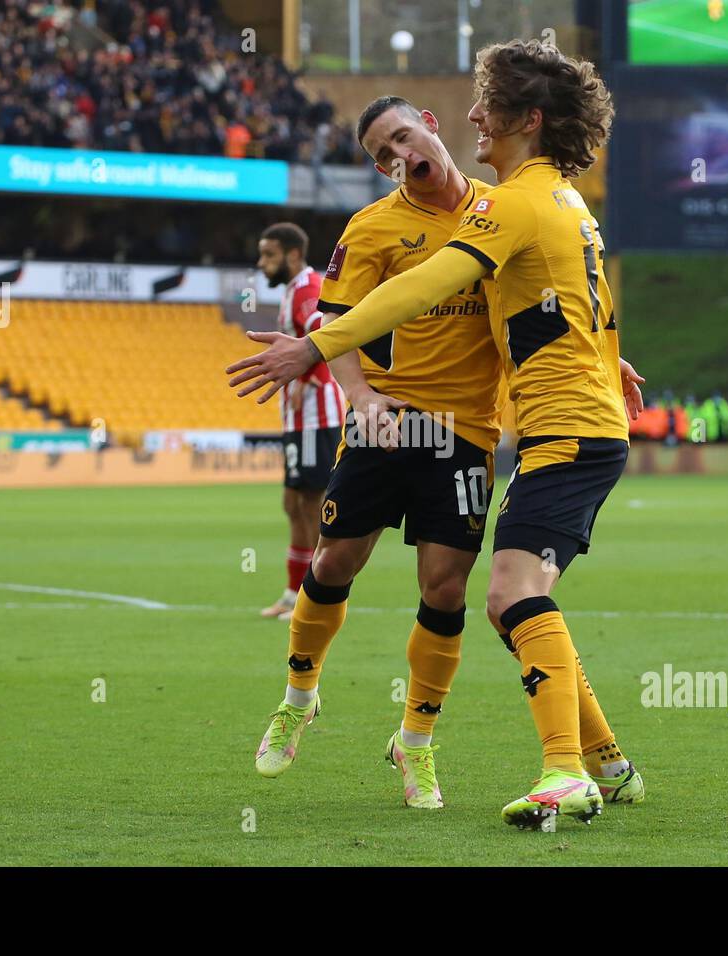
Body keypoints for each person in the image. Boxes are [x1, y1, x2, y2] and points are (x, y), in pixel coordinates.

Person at [230, 39, 648, 828]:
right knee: (400, 574)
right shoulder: (558, 198)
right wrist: (609, 357)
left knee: (494, 594)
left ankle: (501, 757)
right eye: (381, 151)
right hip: (413, 424)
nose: (472, 116)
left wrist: (309, 349)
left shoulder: (503, 204)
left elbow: (432, 282)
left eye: (484, 106)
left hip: (492, 429)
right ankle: (601, 761)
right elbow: (569, 296)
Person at [251, 98, 505, 809]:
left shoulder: (500, 213)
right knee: (333, 561)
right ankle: (300, 696)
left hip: (466, 431)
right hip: (386, 419)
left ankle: (415, 744)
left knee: (445, 588)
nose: (399, 155)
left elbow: (550, 300)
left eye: (403, 136)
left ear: (430, 120)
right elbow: (337, 326)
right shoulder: (372, 228)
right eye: (382, 155)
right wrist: (362, 399)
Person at [254, 223, 345, 621]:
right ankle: (293, 593)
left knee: (310, 504)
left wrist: (303, 380)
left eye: (269, 255)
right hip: (299, 418)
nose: (262, 263)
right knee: (294, 503)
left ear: (293, 254)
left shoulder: (308, 288)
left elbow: (324, 339)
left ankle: (315, 595)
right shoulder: (295, 290)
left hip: (316, 415)